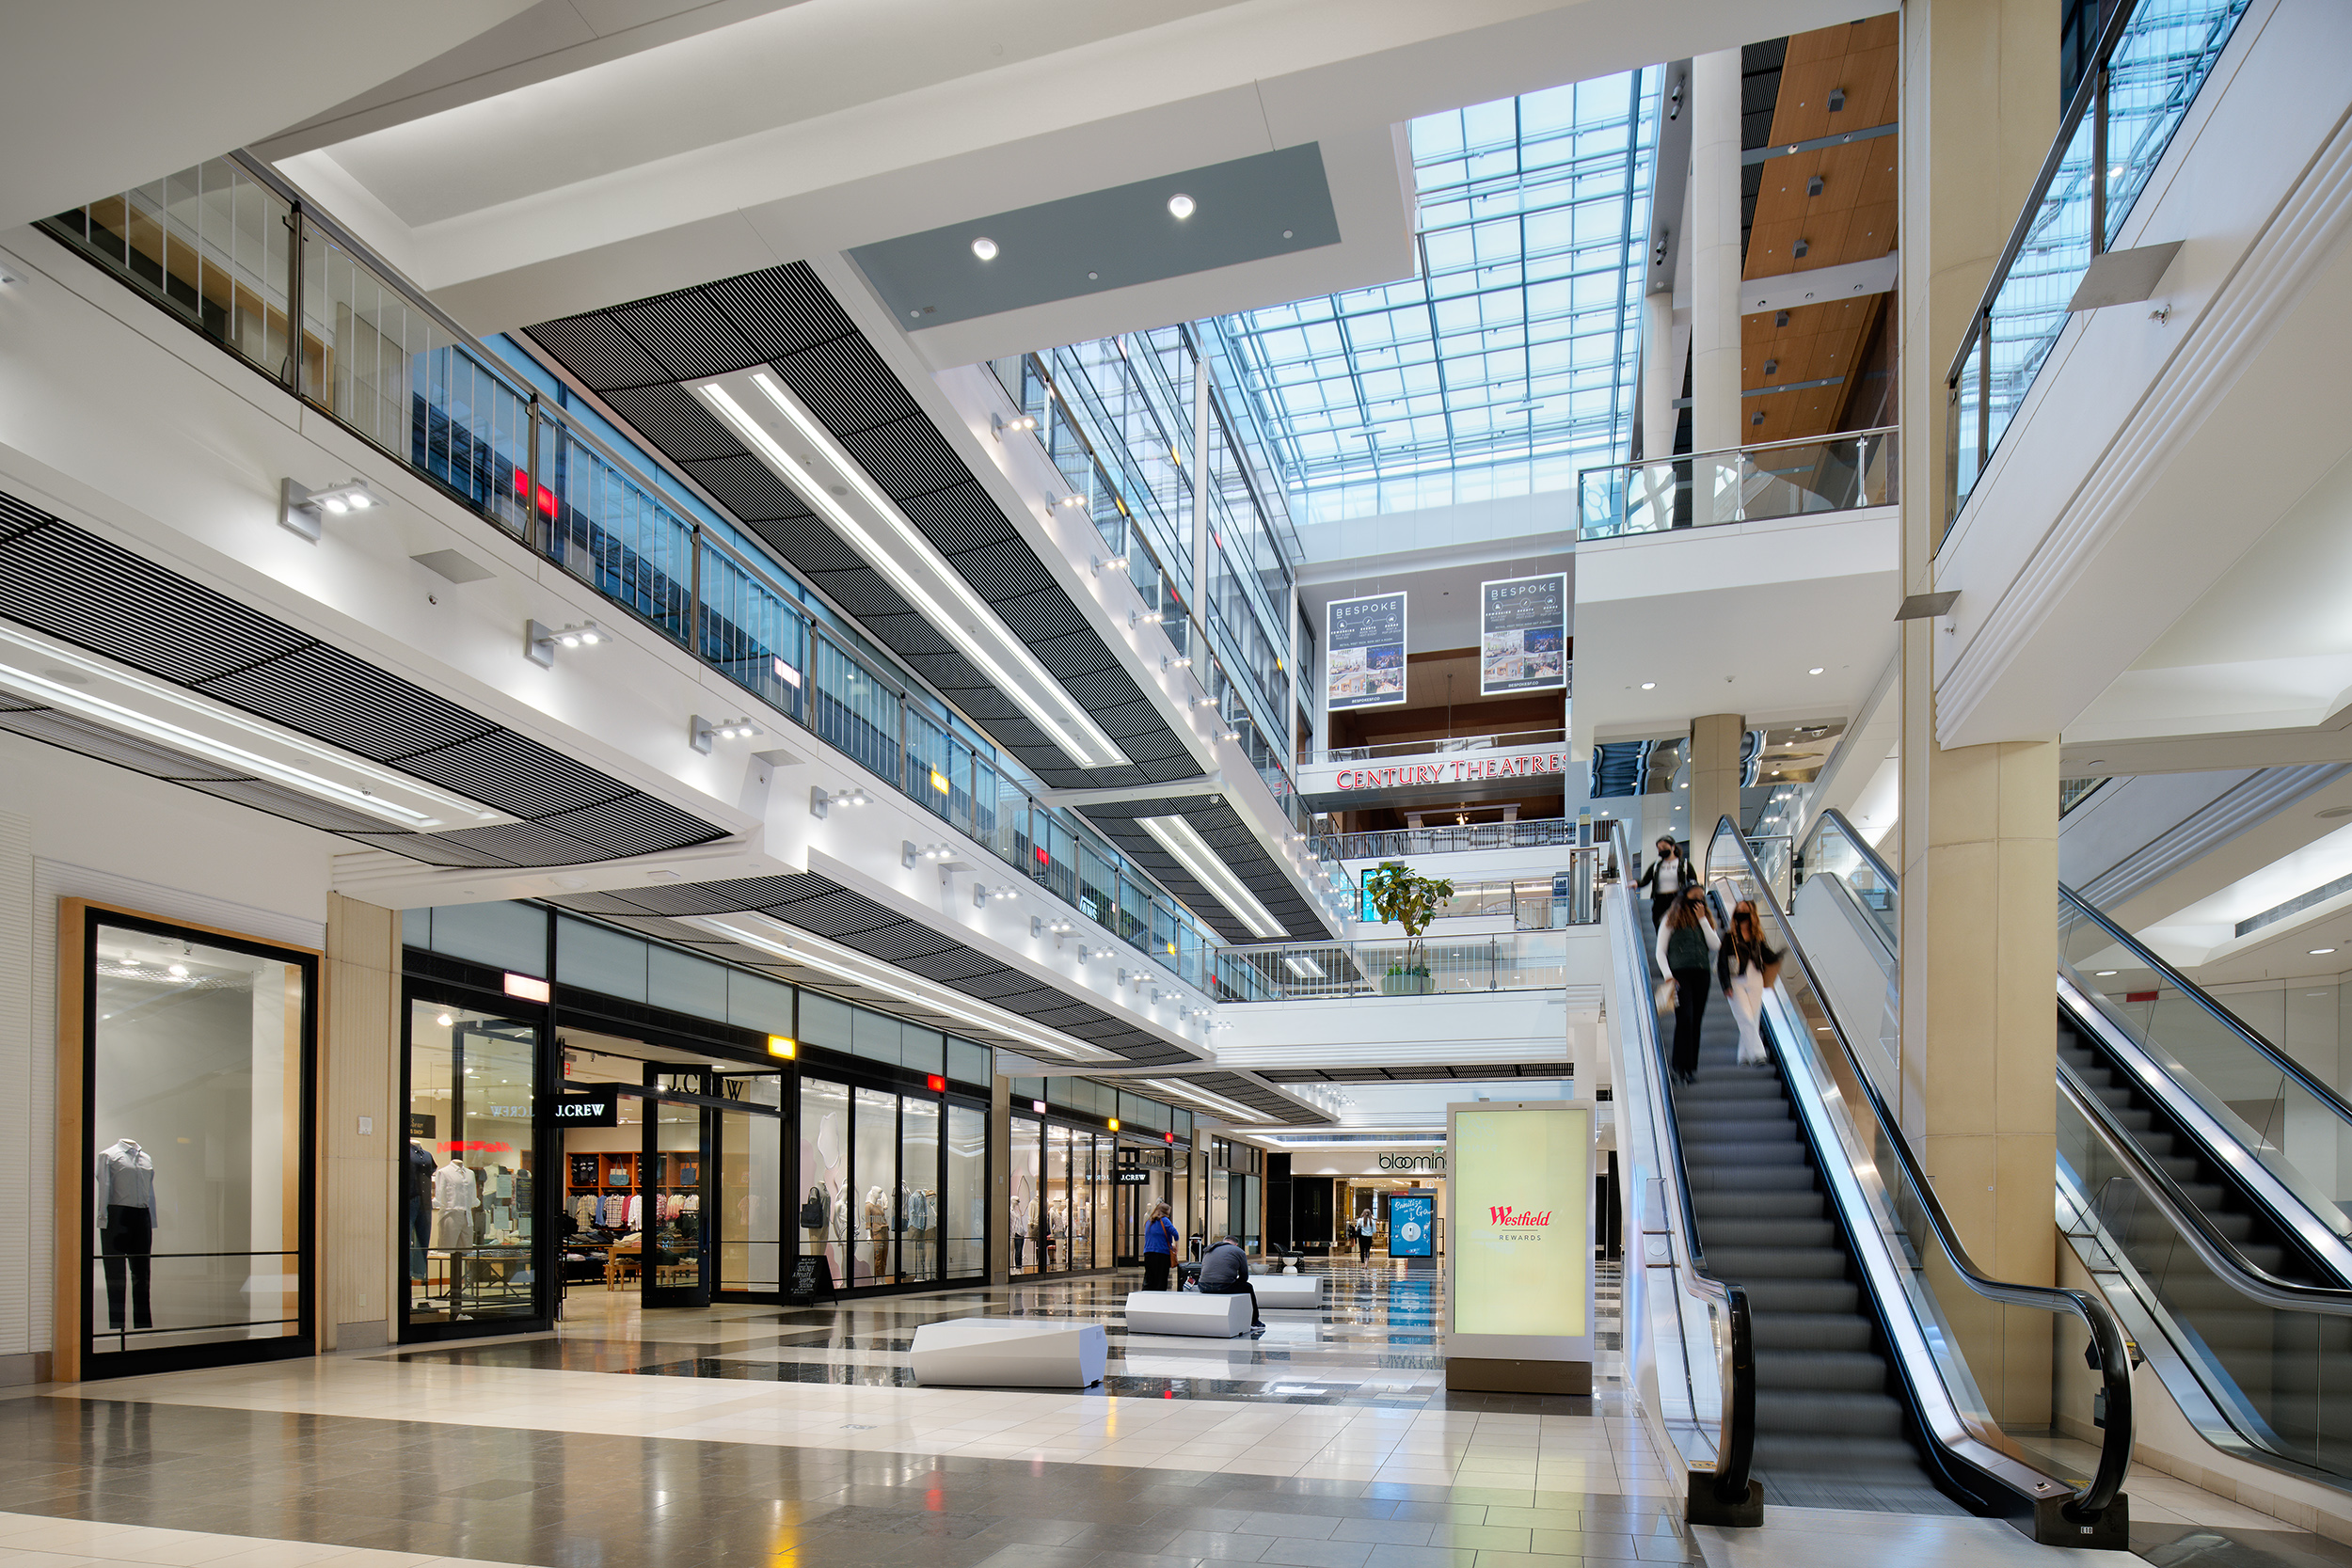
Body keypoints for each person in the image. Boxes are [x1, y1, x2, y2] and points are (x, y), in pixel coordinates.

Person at [1656, 884, 1721, 1084]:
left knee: (1696, 1021)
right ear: (1684, 897)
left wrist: (1702, 919)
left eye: (1701, 897)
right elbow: (1660, 951)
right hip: (1680, 975)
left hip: (1702, 974)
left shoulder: (1705, 919)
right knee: (1685, 1019)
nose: (1699, 900)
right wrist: (1668, 975)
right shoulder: (1671, 918)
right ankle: (1678, 1068)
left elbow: (1716, 945)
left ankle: (1691, 1068)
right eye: (1694, 896)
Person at [1719, 899, 1784, 1068]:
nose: (1741, 913)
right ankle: (1758, 1054)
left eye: (1745, 910)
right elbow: (1722, 963)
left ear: (1751, 915)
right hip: (1736, 980)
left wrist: (1782, 953)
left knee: (1753, 1018)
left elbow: (1767, 955)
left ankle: (1743, 1057)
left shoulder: (1757, 937)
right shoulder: (1729, 937)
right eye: (1739, 910)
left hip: (1755, 977)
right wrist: (1726, 985)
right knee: (1745, 1017)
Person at [1198, 1233, 1264, 1334]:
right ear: (1236, 1244)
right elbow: (1244, 1276)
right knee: (1248, 1287)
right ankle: (1255, 1322)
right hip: (1223, 1286)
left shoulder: (1210, 1249)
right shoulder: (1239, 1251)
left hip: (1203, 1286)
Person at [1638, 837, 1690, 937]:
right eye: (1659, 849)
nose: (1661, 850)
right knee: (1660, 928)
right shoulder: (1656, 866)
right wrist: (1636, 883)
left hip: (1678, 900)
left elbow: (1693, 881)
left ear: (1673, 847)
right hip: (1660, 901)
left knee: (1679, 928)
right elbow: (1645, 881)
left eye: (1664, 847)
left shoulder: (1684, 864)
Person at [1142, 1201, 1179, 1292]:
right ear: (1166, 1212)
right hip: (1162, 1253)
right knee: (1161, 1280)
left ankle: (1146, 1297)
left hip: (1148, 1253)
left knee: (1149, 1279)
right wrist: (1176, 1246)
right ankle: (1159, 1298)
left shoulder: (1149, 1221)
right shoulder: (1164, 1220)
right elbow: (1175, 1233)